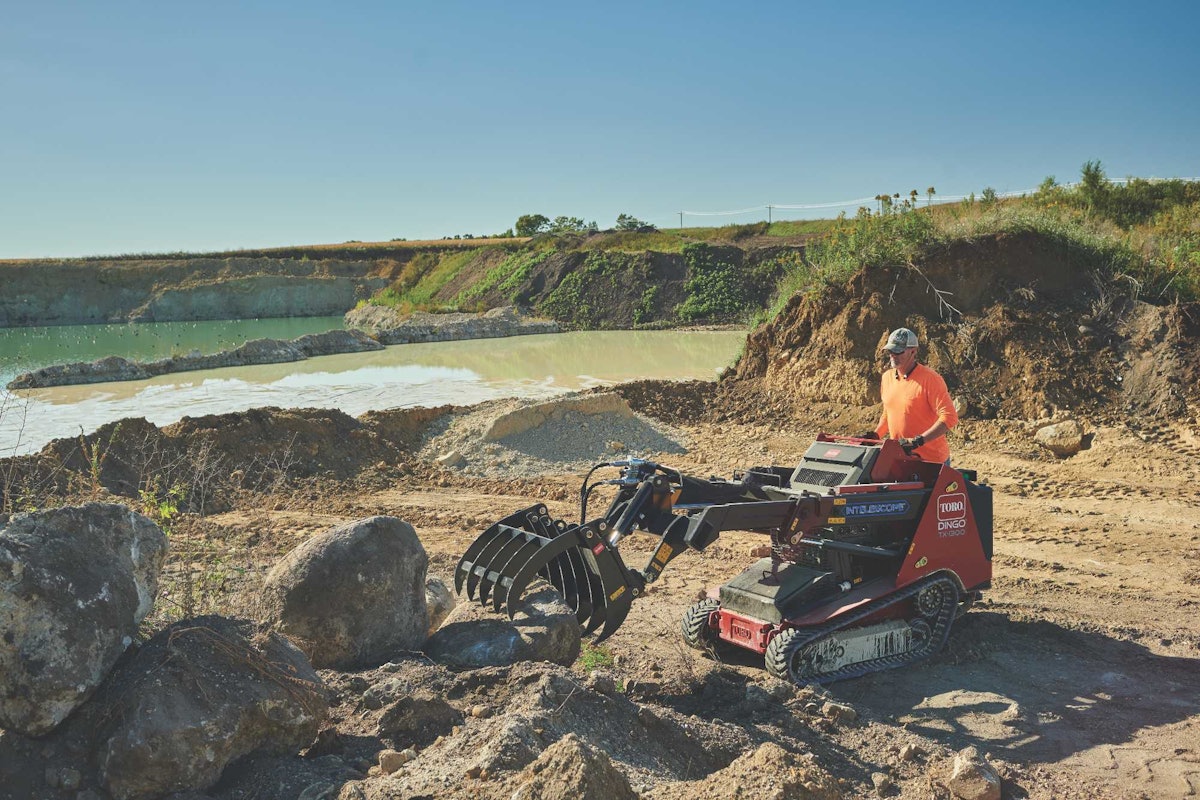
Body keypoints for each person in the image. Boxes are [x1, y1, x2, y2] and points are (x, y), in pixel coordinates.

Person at [861, 327, 958, 463]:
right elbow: (889, 413)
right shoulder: (887, 378)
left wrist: (918, 441)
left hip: (931, 461)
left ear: (913, 351)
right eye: (890, 351)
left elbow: (949, 417)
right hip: (901, 458)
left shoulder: (930, 379)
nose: (893, 355)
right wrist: (876, 435)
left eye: (898, 351)